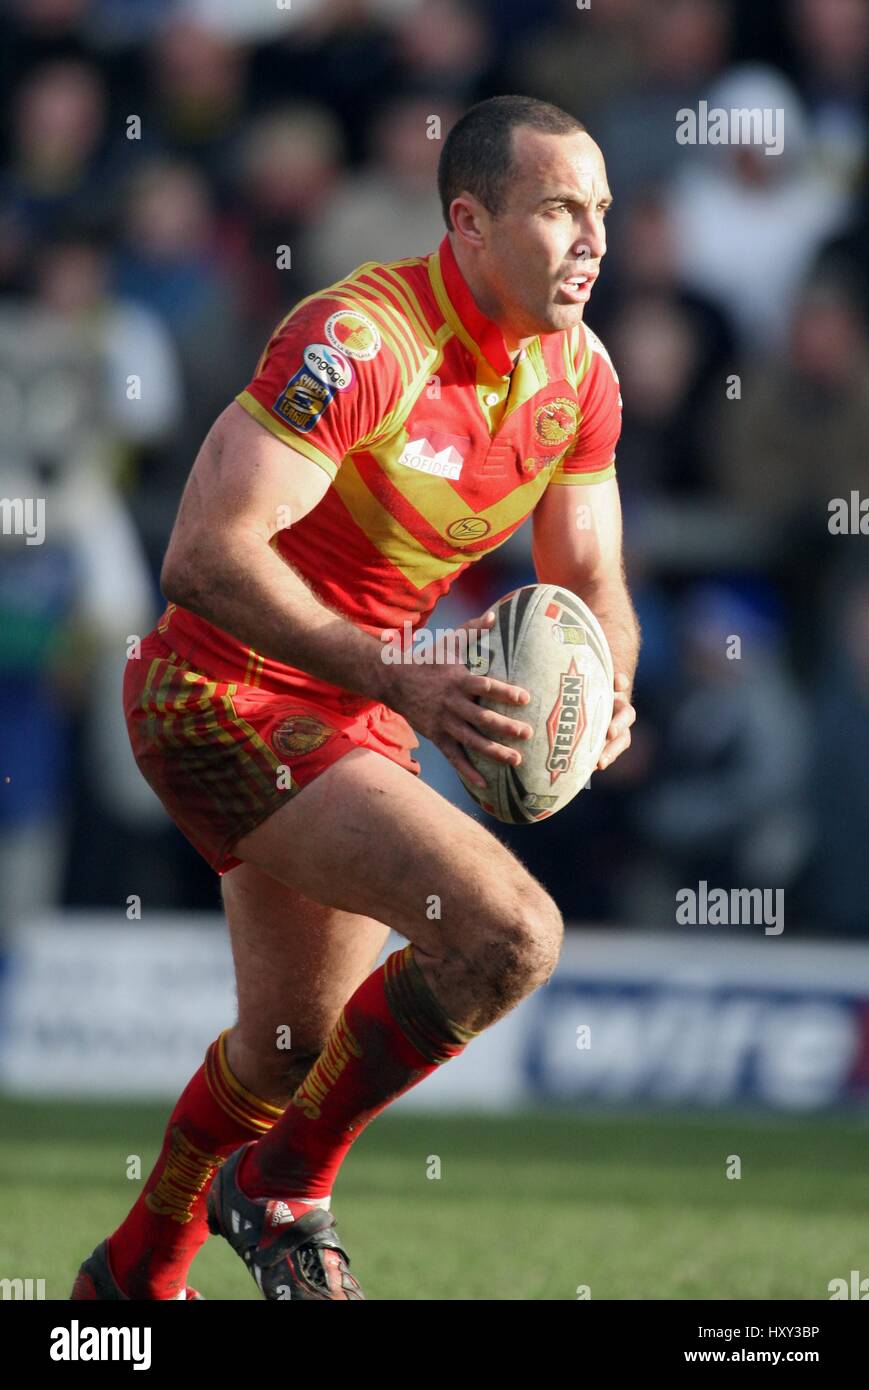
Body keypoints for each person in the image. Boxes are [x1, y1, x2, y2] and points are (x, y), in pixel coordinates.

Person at [71, 94, 639, 1302]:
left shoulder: (578, 375)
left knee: (283, 1050)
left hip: (355, 700)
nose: (592, 238)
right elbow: (204, 555)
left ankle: (128, 1284)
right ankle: (284, 1194)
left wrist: (612, 687)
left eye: (600, 210)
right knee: (506, 934)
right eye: (558, 209)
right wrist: (393, 671)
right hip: (211, 688)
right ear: (469, 222)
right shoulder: (361, 342)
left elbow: (589, 578)